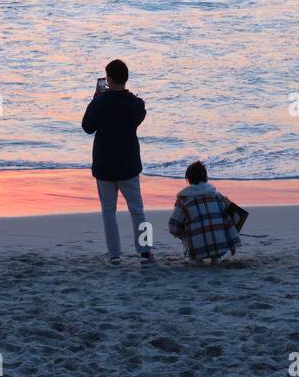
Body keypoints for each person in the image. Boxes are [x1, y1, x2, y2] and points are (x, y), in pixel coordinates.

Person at [81, 59, 154, 265]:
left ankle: (114, 255)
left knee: (108, 212)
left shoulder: (100, 103)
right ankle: (145, 252)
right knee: (137, 209)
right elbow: (139, 112)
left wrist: (95, 99)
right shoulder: (135, 104)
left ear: (110, 79)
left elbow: (87, 126)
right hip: (128, 162)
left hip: (105, 163)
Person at [168, 161, 241, 264]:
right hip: (221, 246)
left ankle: (198, 258)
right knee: (222, 217)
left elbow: (173, 227)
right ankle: (216, 258)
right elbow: (237, 217)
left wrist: (183, 234)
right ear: (206, 177)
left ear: (188, 179)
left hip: (197, 249)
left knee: (186, 224)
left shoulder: (183, 201)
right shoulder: (219, 196)